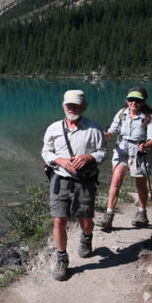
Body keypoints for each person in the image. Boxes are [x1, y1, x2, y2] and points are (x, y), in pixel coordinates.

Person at [41, 89, 106, 281]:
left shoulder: (94, 129)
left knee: (85, 220)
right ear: (63, 106)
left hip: (84, 181)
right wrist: (59, 160)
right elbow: (46, 151)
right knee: (59, 220)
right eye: (69, 105)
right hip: (60, 179)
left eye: (76, 105)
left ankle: (86, 237)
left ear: (84, 107)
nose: (72, 108)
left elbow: (103, 152)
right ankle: (62, 257)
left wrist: (89, 157)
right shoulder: (53, 128)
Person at [96, 87, 152, 231]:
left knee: (140, 184)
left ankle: (142, 213)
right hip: (121, 151)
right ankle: (108, 215)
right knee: (115, 181)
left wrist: (145, 145)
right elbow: (113, 130)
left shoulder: (148, 117)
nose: (133, 102)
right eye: (131, 99)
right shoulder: (122, 113)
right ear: (127, 100)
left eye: (137, 100)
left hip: (139, 153)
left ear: (142, 102)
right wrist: (107, 135)